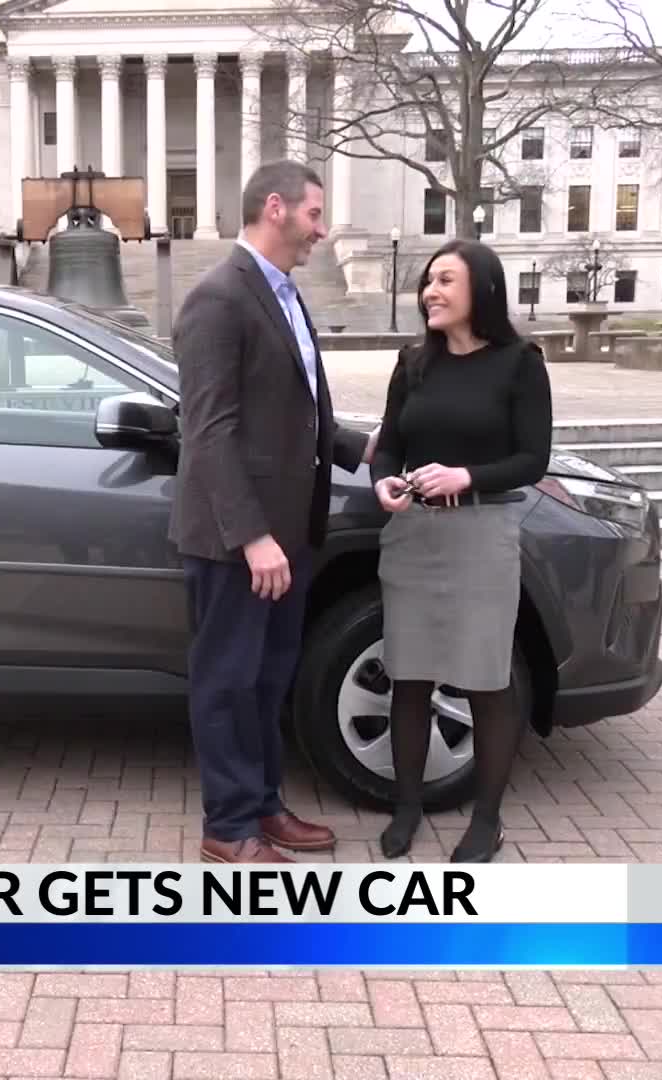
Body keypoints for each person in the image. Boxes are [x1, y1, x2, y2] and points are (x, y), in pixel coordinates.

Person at [168, 160, 375, 864]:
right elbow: (211, 431)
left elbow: (300, 413)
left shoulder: (284, 295)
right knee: (227, 682)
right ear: (278, 208)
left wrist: (367, 448)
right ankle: (228, 830)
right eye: (317, 215)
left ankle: (262, 805)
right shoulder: (217, 299)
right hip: (237, 543)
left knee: (266, 682)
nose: (323, 230)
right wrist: (253, 536)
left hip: (289, 535)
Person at [369, 238, 552, 864]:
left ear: (483, 289)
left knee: (484, 680)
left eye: (445, 280)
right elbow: (390, 444)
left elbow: (533, 458)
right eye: (427, 282)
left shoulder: (520, 362)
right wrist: (384, 482)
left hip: (481, 536)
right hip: (413, 535)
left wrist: (466, 476)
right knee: (410, 677)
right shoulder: (413, 361)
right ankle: (408, 805)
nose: (431, 292)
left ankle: (487, 818)